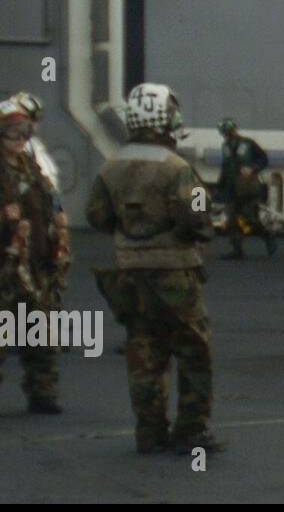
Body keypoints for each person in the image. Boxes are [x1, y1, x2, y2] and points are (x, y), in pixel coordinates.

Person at [86, 83, 220, 454]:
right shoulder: (179, 168)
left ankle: (149, 432)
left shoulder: (110, 168)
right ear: (168, 119)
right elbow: (198, 216)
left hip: (129, 273)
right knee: (194, 350)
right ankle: (192, 431)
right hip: (175, 274)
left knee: (144, 350)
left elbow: (96, 216)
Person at [0, 100, 61, 414]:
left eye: (24, 131)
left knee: (38, 329)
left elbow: (46, 202)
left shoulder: (29, 165)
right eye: (12, 132)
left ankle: (43, 392)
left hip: (33, 261)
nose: (20, 138)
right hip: (5, 262)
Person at [8, 92, 70, 310]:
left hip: (36, 228)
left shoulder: (30, 153)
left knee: (40, 282)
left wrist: (56, 212)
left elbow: (47, 186)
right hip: (13, 233)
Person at [215, 118, 275, 260]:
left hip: (248, 187)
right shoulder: (225, 146)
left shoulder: (248, 144)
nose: (227, 134)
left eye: (228, 131)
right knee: (231, 220)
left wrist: (253, 168)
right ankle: (237, 249)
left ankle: (267, 236)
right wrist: (219, 187)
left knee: (251, 219)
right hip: (231, 189)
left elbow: (263, 159)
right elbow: (225, 168)